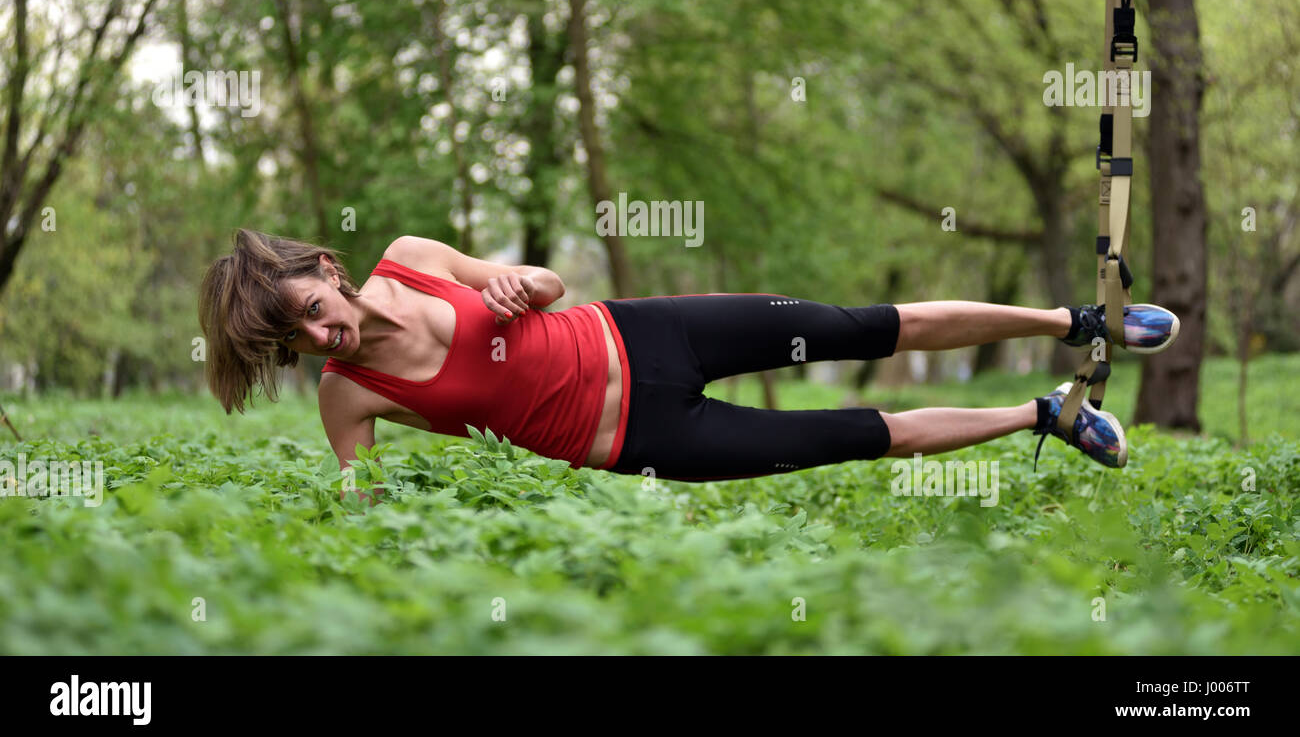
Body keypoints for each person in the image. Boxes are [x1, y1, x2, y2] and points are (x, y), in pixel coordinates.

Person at [198, 229, 1179, 498]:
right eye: (298, 342)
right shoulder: (348, 399)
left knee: (863, 323)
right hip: (649, 438)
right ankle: (1043, 416)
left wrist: (513, 281)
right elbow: (361, 511)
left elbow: (540, 283)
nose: (323, 337)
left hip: (646, 333)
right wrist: (361, 509)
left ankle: (1075, 316)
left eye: (314, 311)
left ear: (326, 269)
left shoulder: (411, 259)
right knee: (854, 436)